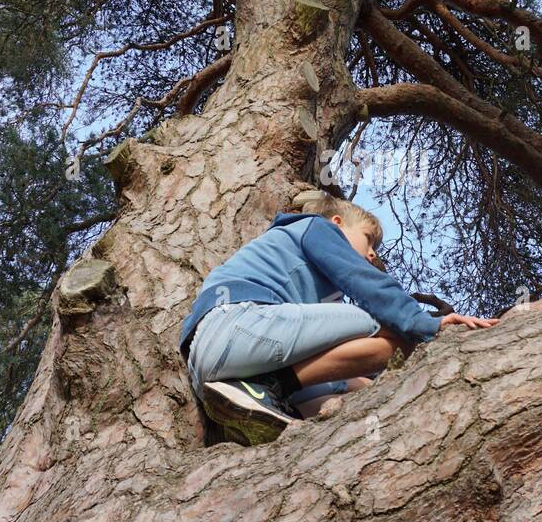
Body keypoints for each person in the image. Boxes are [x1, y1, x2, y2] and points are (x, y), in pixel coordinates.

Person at [178, 190, 498, 445]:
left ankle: (264, 402)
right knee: (391, 330)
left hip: (216, 365)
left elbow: (341, 365)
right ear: (338, 222)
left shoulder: (311, 301)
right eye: (369, 239)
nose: (373, 253)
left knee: (371, 370)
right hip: (234, 326)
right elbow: (366, 282)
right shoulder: (315, 228)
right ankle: (267, 385)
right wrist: (426, 323)